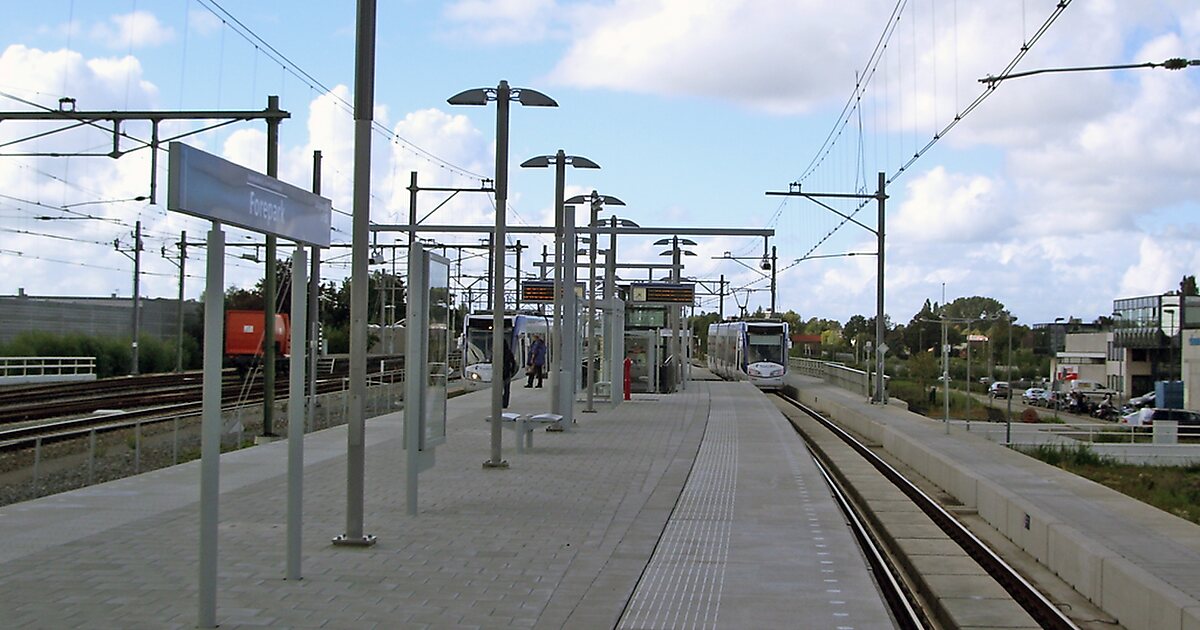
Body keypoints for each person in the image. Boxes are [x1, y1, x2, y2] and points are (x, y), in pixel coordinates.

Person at [502, 340, 517, 408]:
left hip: (500, 373)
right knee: (507, 389)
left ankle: (500, 401)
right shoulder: (509, 352)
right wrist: (512, 371)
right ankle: (505, 403)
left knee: (499, 389)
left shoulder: (497, 352)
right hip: (507, 372)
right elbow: (513, 362)